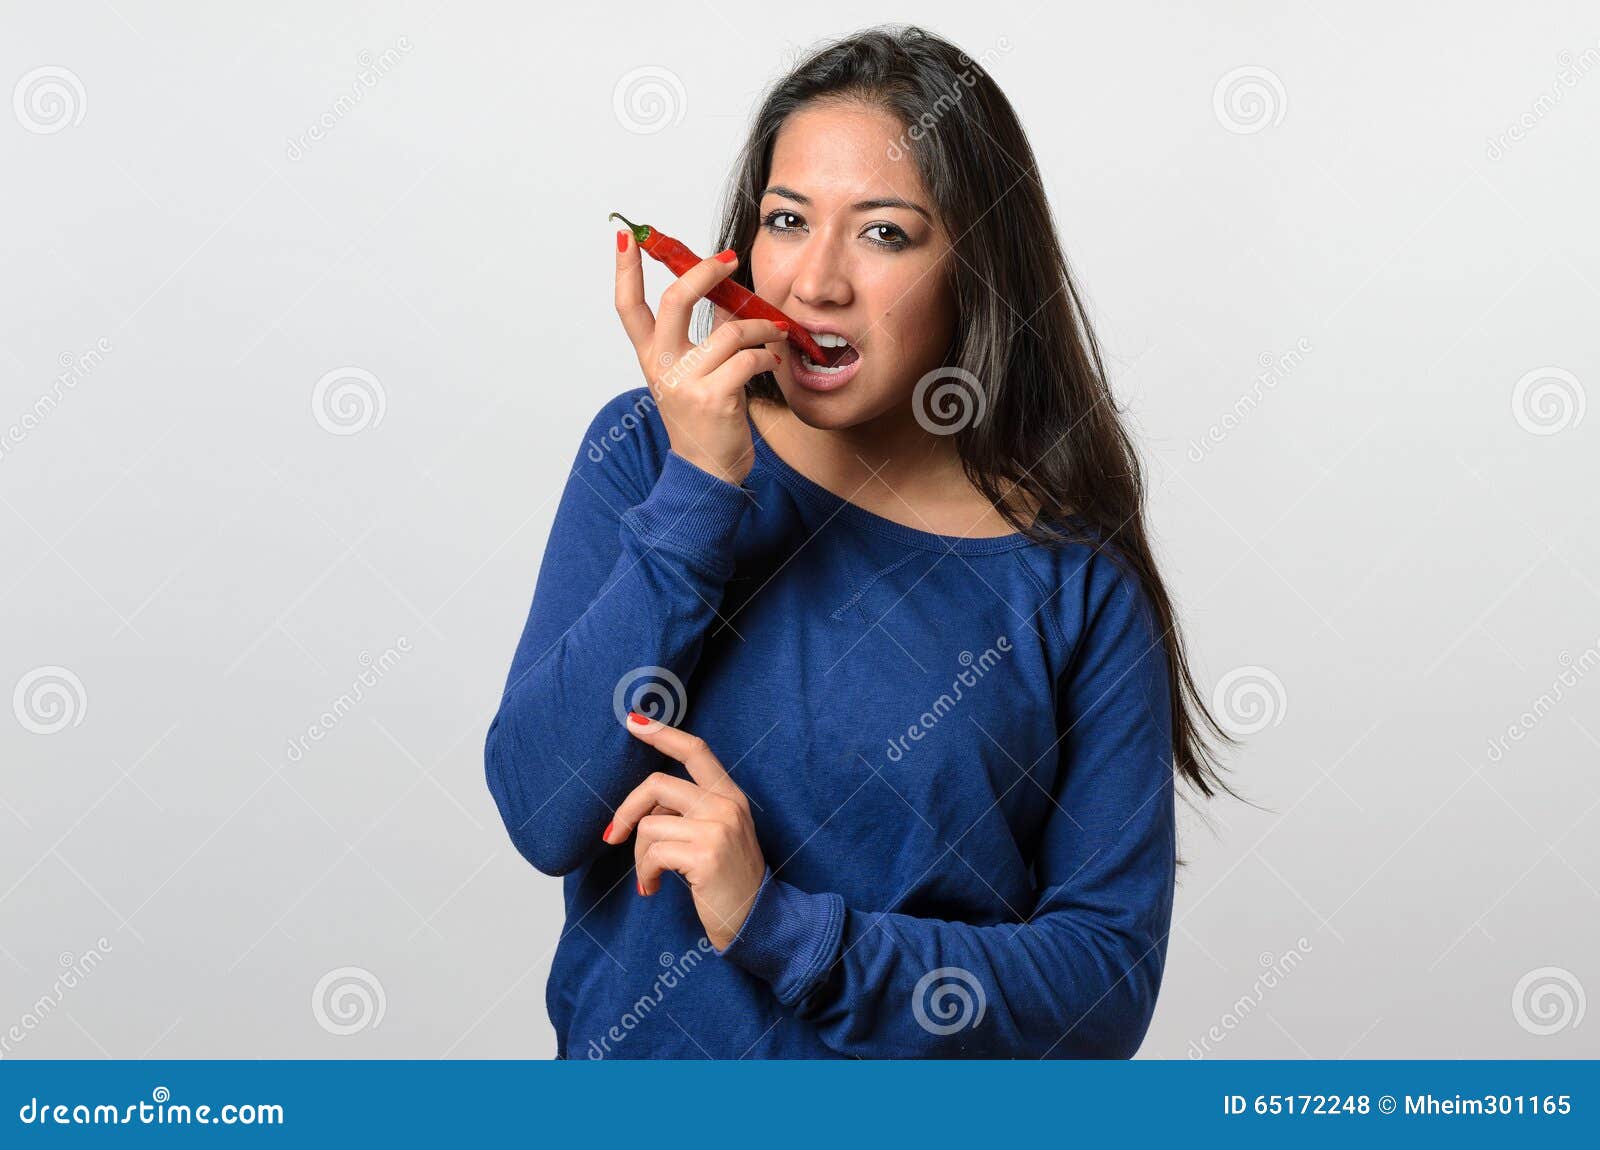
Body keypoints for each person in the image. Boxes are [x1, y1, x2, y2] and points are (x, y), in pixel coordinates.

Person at [485, 24, 1237, 1059]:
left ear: (977, 266)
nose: (815, 282)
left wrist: (787, 931)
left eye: (885, 233)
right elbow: (544, 811)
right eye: (787, 220)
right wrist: (698, 495)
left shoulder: (1074, 585)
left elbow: (1101, 989)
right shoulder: (647, 455)